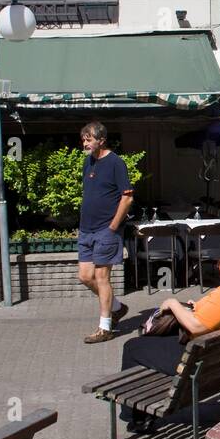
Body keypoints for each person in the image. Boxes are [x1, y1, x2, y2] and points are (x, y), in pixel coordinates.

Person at [119, 240, 220, 415]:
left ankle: (135, 416)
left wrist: (173, 303)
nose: (217, 266)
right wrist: (197, 307)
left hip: (206, 364)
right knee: (154, 343)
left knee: (133, 347)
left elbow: (196, 326)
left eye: (219, 262)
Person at [78, 121, 133, 344]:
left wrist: (113, 227)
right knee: (85, 276)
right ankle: (117, 307)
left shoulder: (116, 163)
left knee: (102, 278)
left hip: (106, 230)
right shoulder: (88, 162)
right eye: (83, 140)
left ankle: (105, 327)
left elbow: (127, 197)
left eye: (89, 139)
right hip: (86, 230)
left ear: (101, 140)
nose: (85, 143)